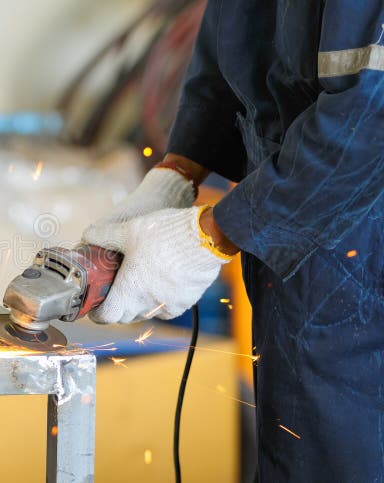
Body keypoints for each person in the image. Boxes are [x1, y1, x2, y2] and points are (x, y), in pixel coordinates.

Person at [82, 1, 384, 481]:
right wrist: (175, 174)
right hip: (298, 252)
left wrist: (207, 237)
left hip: (361, 244)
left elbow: (369, 117)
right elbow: (234, 39)